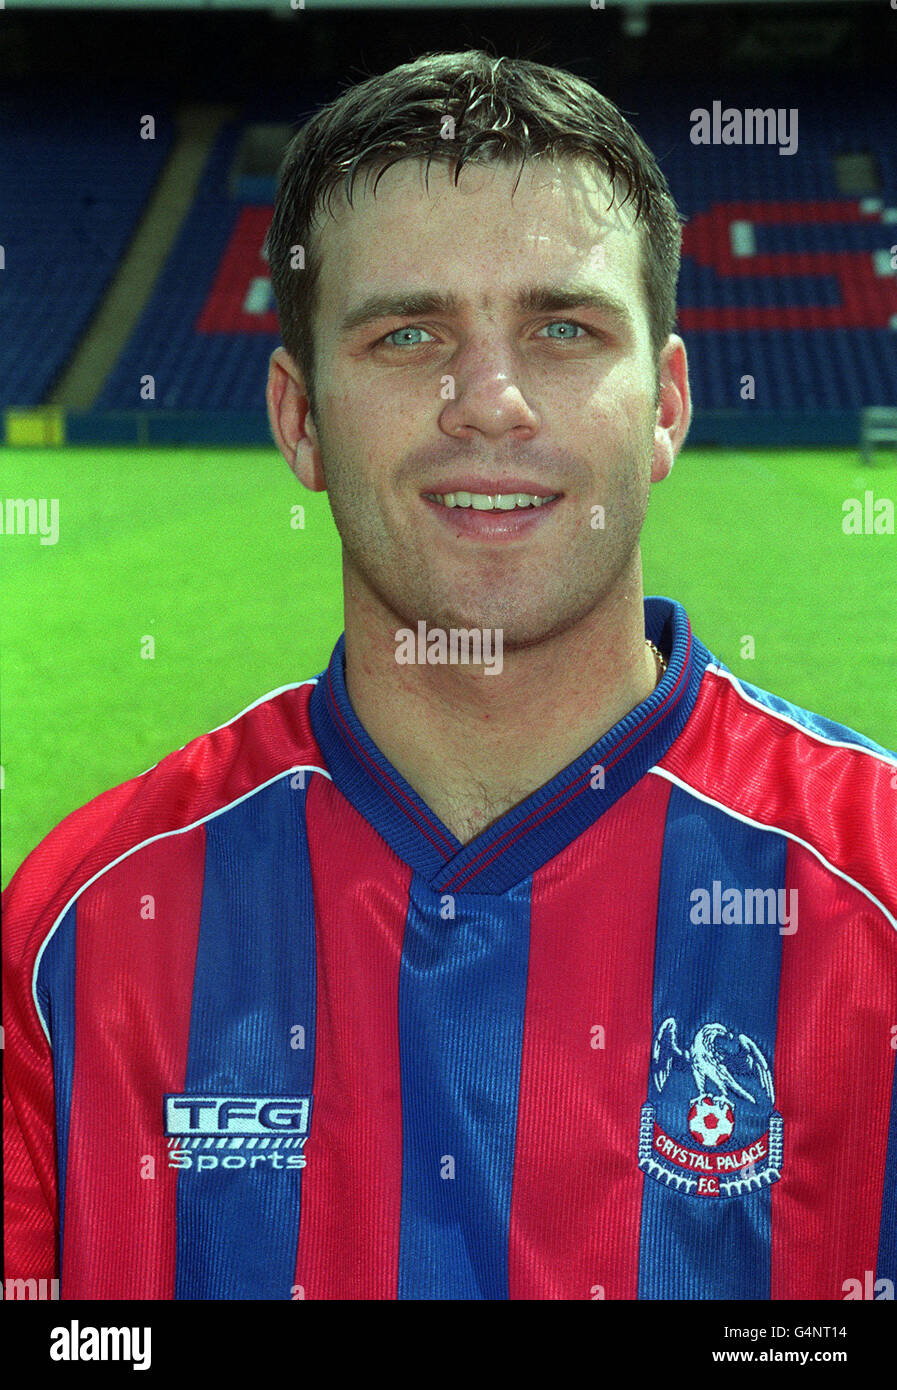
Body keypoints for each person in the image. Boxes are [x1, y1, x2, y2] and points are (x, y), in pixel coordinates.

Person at [4, 50, 895, 1302]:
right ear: (299, 418)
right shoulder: (81, 930)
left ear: (669, 406)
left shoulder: (877, 893)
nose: (491, 402)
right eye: (409, 331)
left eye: (565, 327)